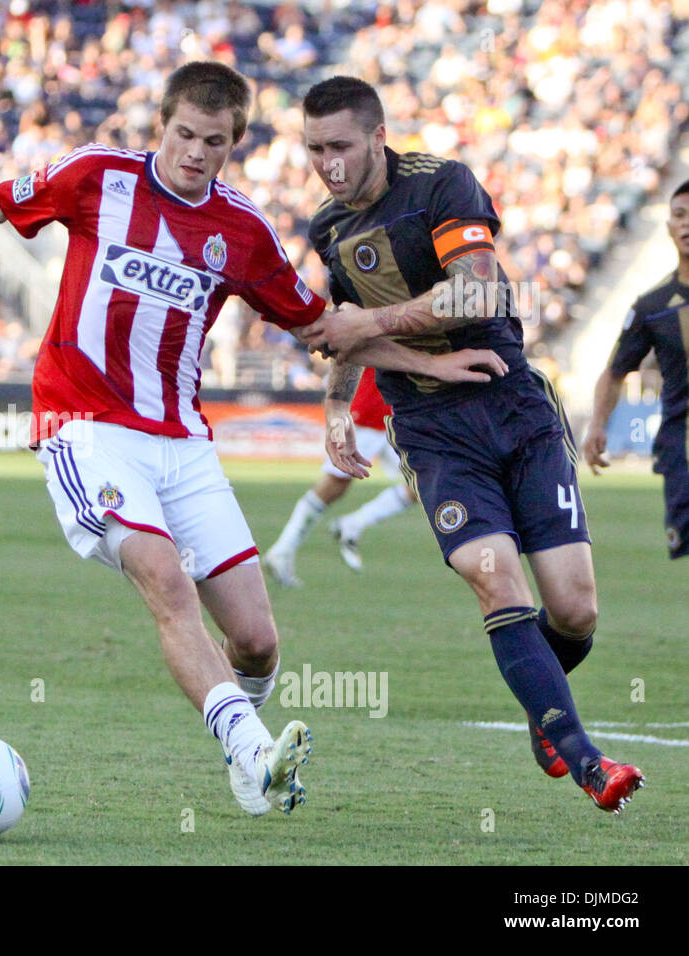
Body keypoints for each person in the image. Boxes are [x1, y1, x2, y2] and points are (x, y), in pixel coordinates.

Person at [0, 61, 508, 816]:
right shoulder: (97, 176)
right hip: (84, 427)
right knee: (163, 576)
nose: (195, 151)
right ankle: (254, 751)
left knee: (256, 641)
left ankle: (241, 747)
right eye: (184, 133)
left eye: (213, 141)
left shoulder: (243, 231)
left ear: (234, 144)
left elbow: (323, 329)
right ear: (163, 124)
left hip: (182, 442)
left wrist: (429, 361)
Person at [298, 75, 644, 812]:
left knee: (576, 610)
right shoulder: (327, 229)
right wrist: (336, 412)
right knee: (495, 577)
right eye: (314, 149)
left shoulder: (442, 185)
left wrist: (371, 327)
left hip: (514, 405)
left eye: (341, 147)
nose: (327, 164)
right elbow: (343, 336)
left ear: (377, 138)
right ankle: (586, 759)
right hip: (433, 431)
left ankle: (540, 708)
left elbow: (479, 291)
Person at [583, 178, 689, 559]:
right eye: (679, 215)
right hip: (682, 456)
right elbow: (615, 372)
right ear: (668, 227)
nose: (686, 223)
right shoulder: (653, 307)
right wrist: (597, 425)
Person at [264, 366, 416, 586]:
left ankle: (353, 524)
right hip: (367, 409)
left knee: (421, 483)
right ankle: (282, 549)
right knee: (335, 483)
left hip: (394, 412)